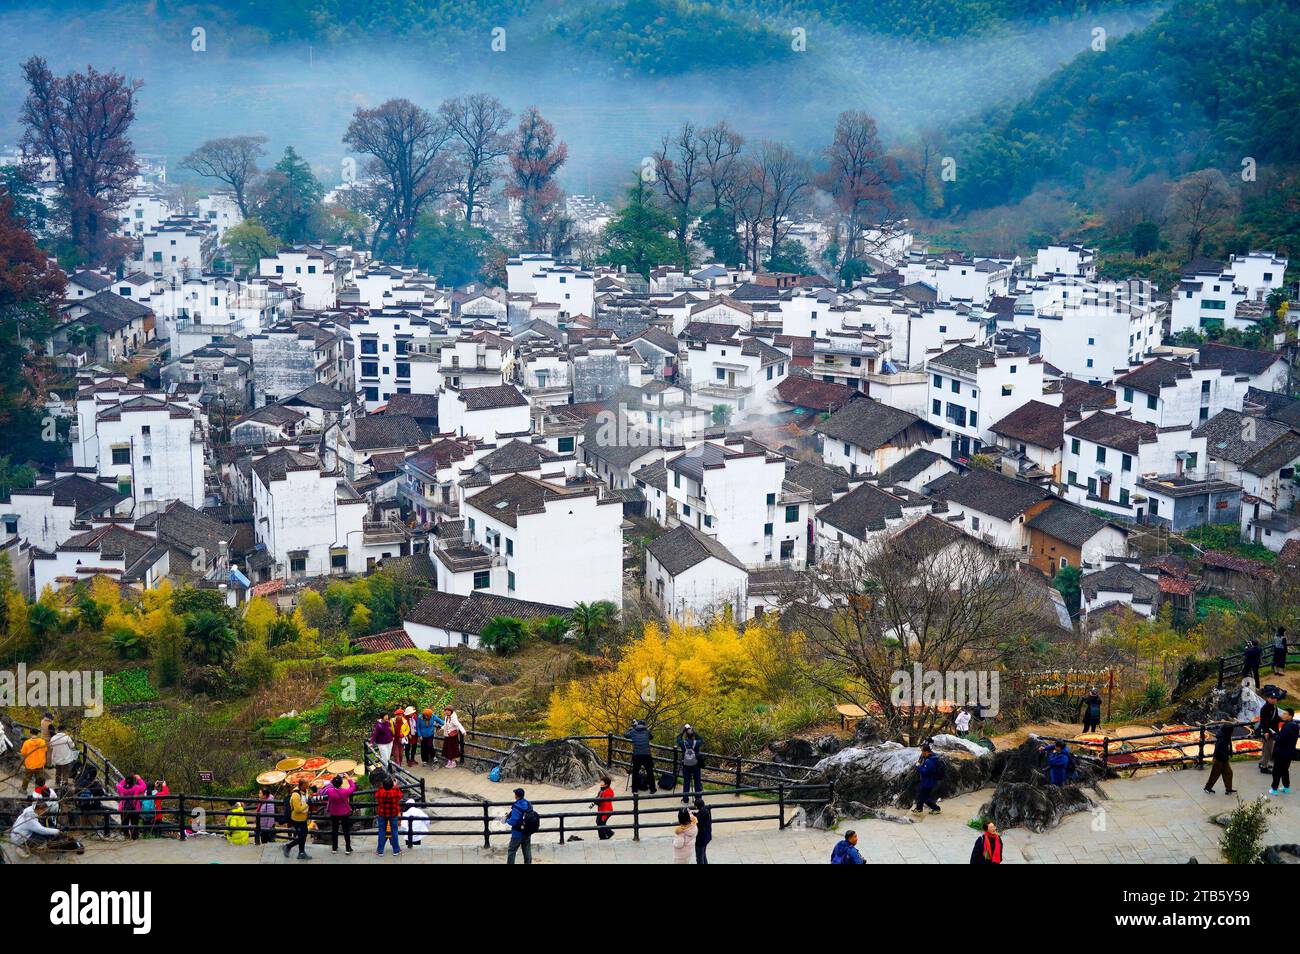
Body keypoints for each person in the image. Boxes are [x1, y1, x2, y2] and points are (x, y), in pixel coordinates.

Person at [322, 773, 356, 854]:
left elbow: (321, 792)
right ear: (341, 783)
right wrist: (348, 778)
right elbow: (353, 787)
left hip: (334, 813)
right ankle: (348, 848)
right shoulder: (345, 791)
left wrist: (330, 783)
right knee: (346, 831)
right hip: (344, 813)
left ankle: (334, 847)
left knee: (335, 830)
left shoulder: (329, 791)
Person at [282, 778, 312, 860]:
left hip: (303, 818)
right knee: (302, 837)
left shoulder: (305, 791)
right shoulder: (296, 795)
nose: (308, 785)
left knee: (304, 835)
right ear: (302, 785)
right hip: (297, 819)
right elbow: (297, 809)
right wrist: (307, 804)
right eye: (307, 784)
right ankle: (288, 846)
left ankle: (301, 853)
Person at [1270, 708, 1297, 796]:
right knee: (1285, 770)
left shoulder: (1287, 727)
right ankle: (1286, 787)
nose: (1283, 715)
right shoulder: (1294, 725)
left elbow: (1280, 739)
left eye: (1285, 714)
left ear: (1290, 716)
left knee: (1276, 771)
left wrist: (1274, 734)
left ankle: (1274, 789)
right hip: (1289, 752)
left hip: (1281, 752)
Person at [1204, 722, 1237, 795]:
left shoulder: (1225, 735)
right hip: (1219, 759)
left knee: (1229, 773)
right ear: (1228, 731)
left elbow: (1228, 746)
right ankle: (1207, 787)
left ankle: (1228, 789)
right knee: (1215, 774)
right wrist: (1226, 755)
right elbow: (1218, 750)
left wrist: (1228, 754)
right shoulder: (1221, 739)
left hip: (1224, 758)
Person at [625, 718, 656, 792]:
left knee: (635, 772)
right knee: (650, 772)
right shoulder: (647, 731)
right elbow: (651, 737)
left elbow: (625, 735)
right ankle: (652, 789)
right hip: (646, 754)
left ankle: (634, 790)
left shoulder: (633, 731)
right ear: (644, 725)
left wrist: (631, 729)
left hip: (637, 754)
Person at [375, 775, 403, 855]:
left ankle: (380, 851)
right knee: (394, 832)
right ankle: (396, 850)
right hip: (393, 814)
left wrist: (383, 786)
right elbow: (400, 795)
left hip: (382, 814)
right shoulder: (395, 792)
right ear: (392, 785)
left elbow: (376, 794)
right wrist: (395, 786)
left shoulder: (380, 792)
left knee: (381, 832)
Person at [676, 723, 704, 802]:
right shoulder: (697, 743)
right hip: (696, 765)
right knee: (697, 782)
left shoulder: (683, 743)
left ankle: (685, 799)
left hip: (686, 765)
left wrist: (683, 731)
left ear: (686, 735)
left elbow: (678, 739)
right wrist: (694, 731)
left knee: (686, 782)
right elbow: (701, 740)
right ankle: (698, 799)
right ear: (693, 735)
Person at [506, 787, 534, 865]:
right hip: (527, 832)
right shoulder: (528, 804)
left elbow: (513, 821)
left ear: (516, 796)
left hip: (517, 833)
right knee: (527, 850)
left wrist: (506, 820)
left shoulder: (516, 806)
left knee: (512, 850)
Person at [912, 744, 942, 815]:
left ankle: (936, 809)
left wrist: (918, 766)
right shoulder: (932, 757)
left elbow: (924, 772)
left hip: (928, 782)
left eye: (922, 751)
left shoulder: (929, 761)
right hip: (928, 781)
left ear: (925, 752)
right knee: (921, 795)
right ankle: (919, 809)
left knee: (924, 797)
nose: (921, 753)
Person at [116, 774, 146, 840]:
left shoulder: (121, 788)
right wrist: (139, 778)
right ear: (133, 780)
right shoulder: (136, 787)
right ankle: (134, 837)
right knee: (134, 824)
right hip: (135, 809)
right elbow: (144, 787)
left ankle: (126, 836)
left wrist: (125, 779)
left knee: (125, 824)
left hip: (124, 809)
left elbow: (118, 786)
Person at [1259, 690, 1281, 774]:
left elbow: (1275, 718)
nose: (1274, 699)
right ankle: (1264, 767)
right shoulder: (1266, 708)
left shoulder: (1273, 706)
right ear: (1268, 698)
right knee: (1268, 749)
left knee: (1265, 748)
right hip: (1269, 732)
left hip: (1271, 730)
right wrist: (1266, 731)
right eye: (1272, 698)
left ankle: (1262, 762)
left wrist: (1282, 719)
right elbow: (1264, 721)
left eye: (1275, 698)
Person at [592, 774, 615, 840]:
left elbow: (607, 805)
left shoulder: (607, 792)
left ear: (606, 784)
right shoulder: (602, 790)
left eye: (602, 782)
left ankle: (603, 837)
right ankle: (609, 832)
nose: (600, 783)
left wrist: (604, 816)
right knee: (599, 822)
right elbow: (598, 798)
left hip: (606, 811)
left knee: (600, 823)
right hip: (601, 810)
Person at [693, 796, 712, 864]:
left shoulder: (699, 817)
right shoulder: (706, 811)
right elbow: (699, 815)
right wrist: (694, 814)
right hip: (707, 837)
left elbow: (696, 822)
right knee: (703, 854)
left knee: (699, 858)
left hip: (700, 840)